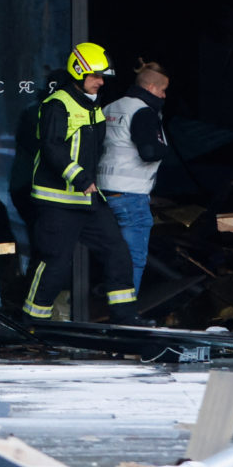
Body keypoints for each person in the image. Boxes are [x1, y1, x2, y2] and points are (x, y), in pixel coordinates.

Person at [21, 42, 148, 326]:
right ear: (78, 73)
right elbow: (52, 148)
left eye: (102, 77)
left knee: (117, 253)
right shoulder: (57, 104)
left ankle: (125, 318)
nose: (100, 82)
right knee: (55, 264)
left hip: (88, 200)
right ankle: (30, 325)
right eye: (95, 76)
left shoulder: (94, 106)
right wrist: (79, 178)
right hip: (58, 202)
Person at [97, 59, 170, 294]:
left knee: (113, 258)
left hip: (103, 193)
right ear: (151, 88)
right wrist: (163, 149)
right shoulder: (143, 112)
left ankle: (111, 311)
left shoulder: (109, 108)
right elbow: (149, 152)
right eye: (162, 90)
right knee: (133, 260)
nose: (164, 95)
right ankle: (124, 317)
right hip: (131, 197)